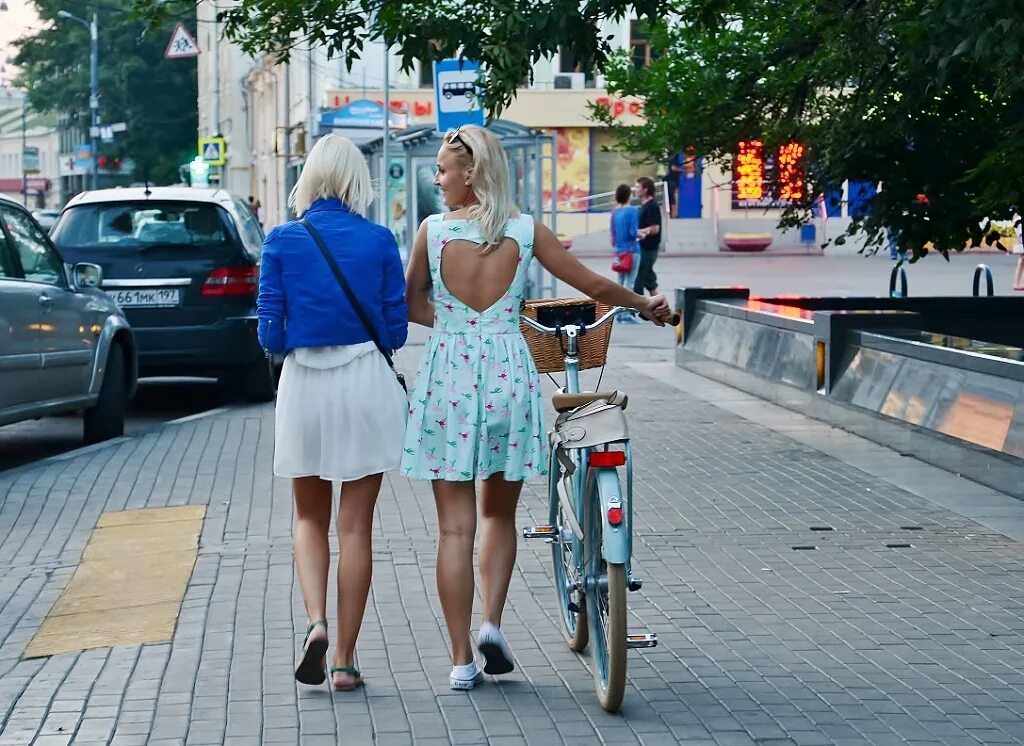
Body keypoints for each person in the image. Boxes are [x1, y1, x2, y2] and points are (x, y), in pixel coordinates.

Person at [401, 125, 671, 691]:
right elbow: (594, 285)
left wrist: (454, 323)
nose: (438, 180)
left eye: (444, 170)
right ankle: (492, 625)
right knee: (498, 516)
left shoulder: (433, 231)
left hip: (448, 378)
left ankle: (461, 662)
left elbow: (410, 304)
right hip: (507, 373)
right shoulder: (525, 231)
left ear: (471, 173)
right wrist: (645, 304)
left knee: (454, 530)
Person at [256, 133, 408, 692]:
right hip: (365, 379)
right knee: (356, 525)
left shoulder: (281, 240)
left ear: (310, 177)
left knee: (308, 518)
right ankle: (344, 660)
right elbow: (395, 330)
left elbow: (269, 333)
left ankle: (316, 622)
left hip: (305, 385)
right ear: (357, 180)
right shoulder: (379, 240)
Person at [609, 184, 641, 323]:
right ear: (629, 195)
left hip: (619, 251)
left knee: (620, 283)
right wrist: (642, 234)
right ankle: (627, 314)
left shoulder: (615, 212)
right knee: (630, 282)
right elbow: (633, 232)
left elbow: (612, 235)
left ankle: (618, 314)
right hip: (632, 250)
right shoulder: (633, 211)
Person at [633, 176, 662, 297]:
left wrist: (638, 231)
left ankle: (638, 303)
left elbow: (655, 228)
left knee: (639, 279)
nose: (635, 189)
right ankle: (659, 304)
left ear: (645, 189)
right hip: (641, 246)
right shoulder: (643, 206)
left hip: (648, 248)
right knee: (649, 280)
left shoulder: (652, 206)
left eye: (637, 187)